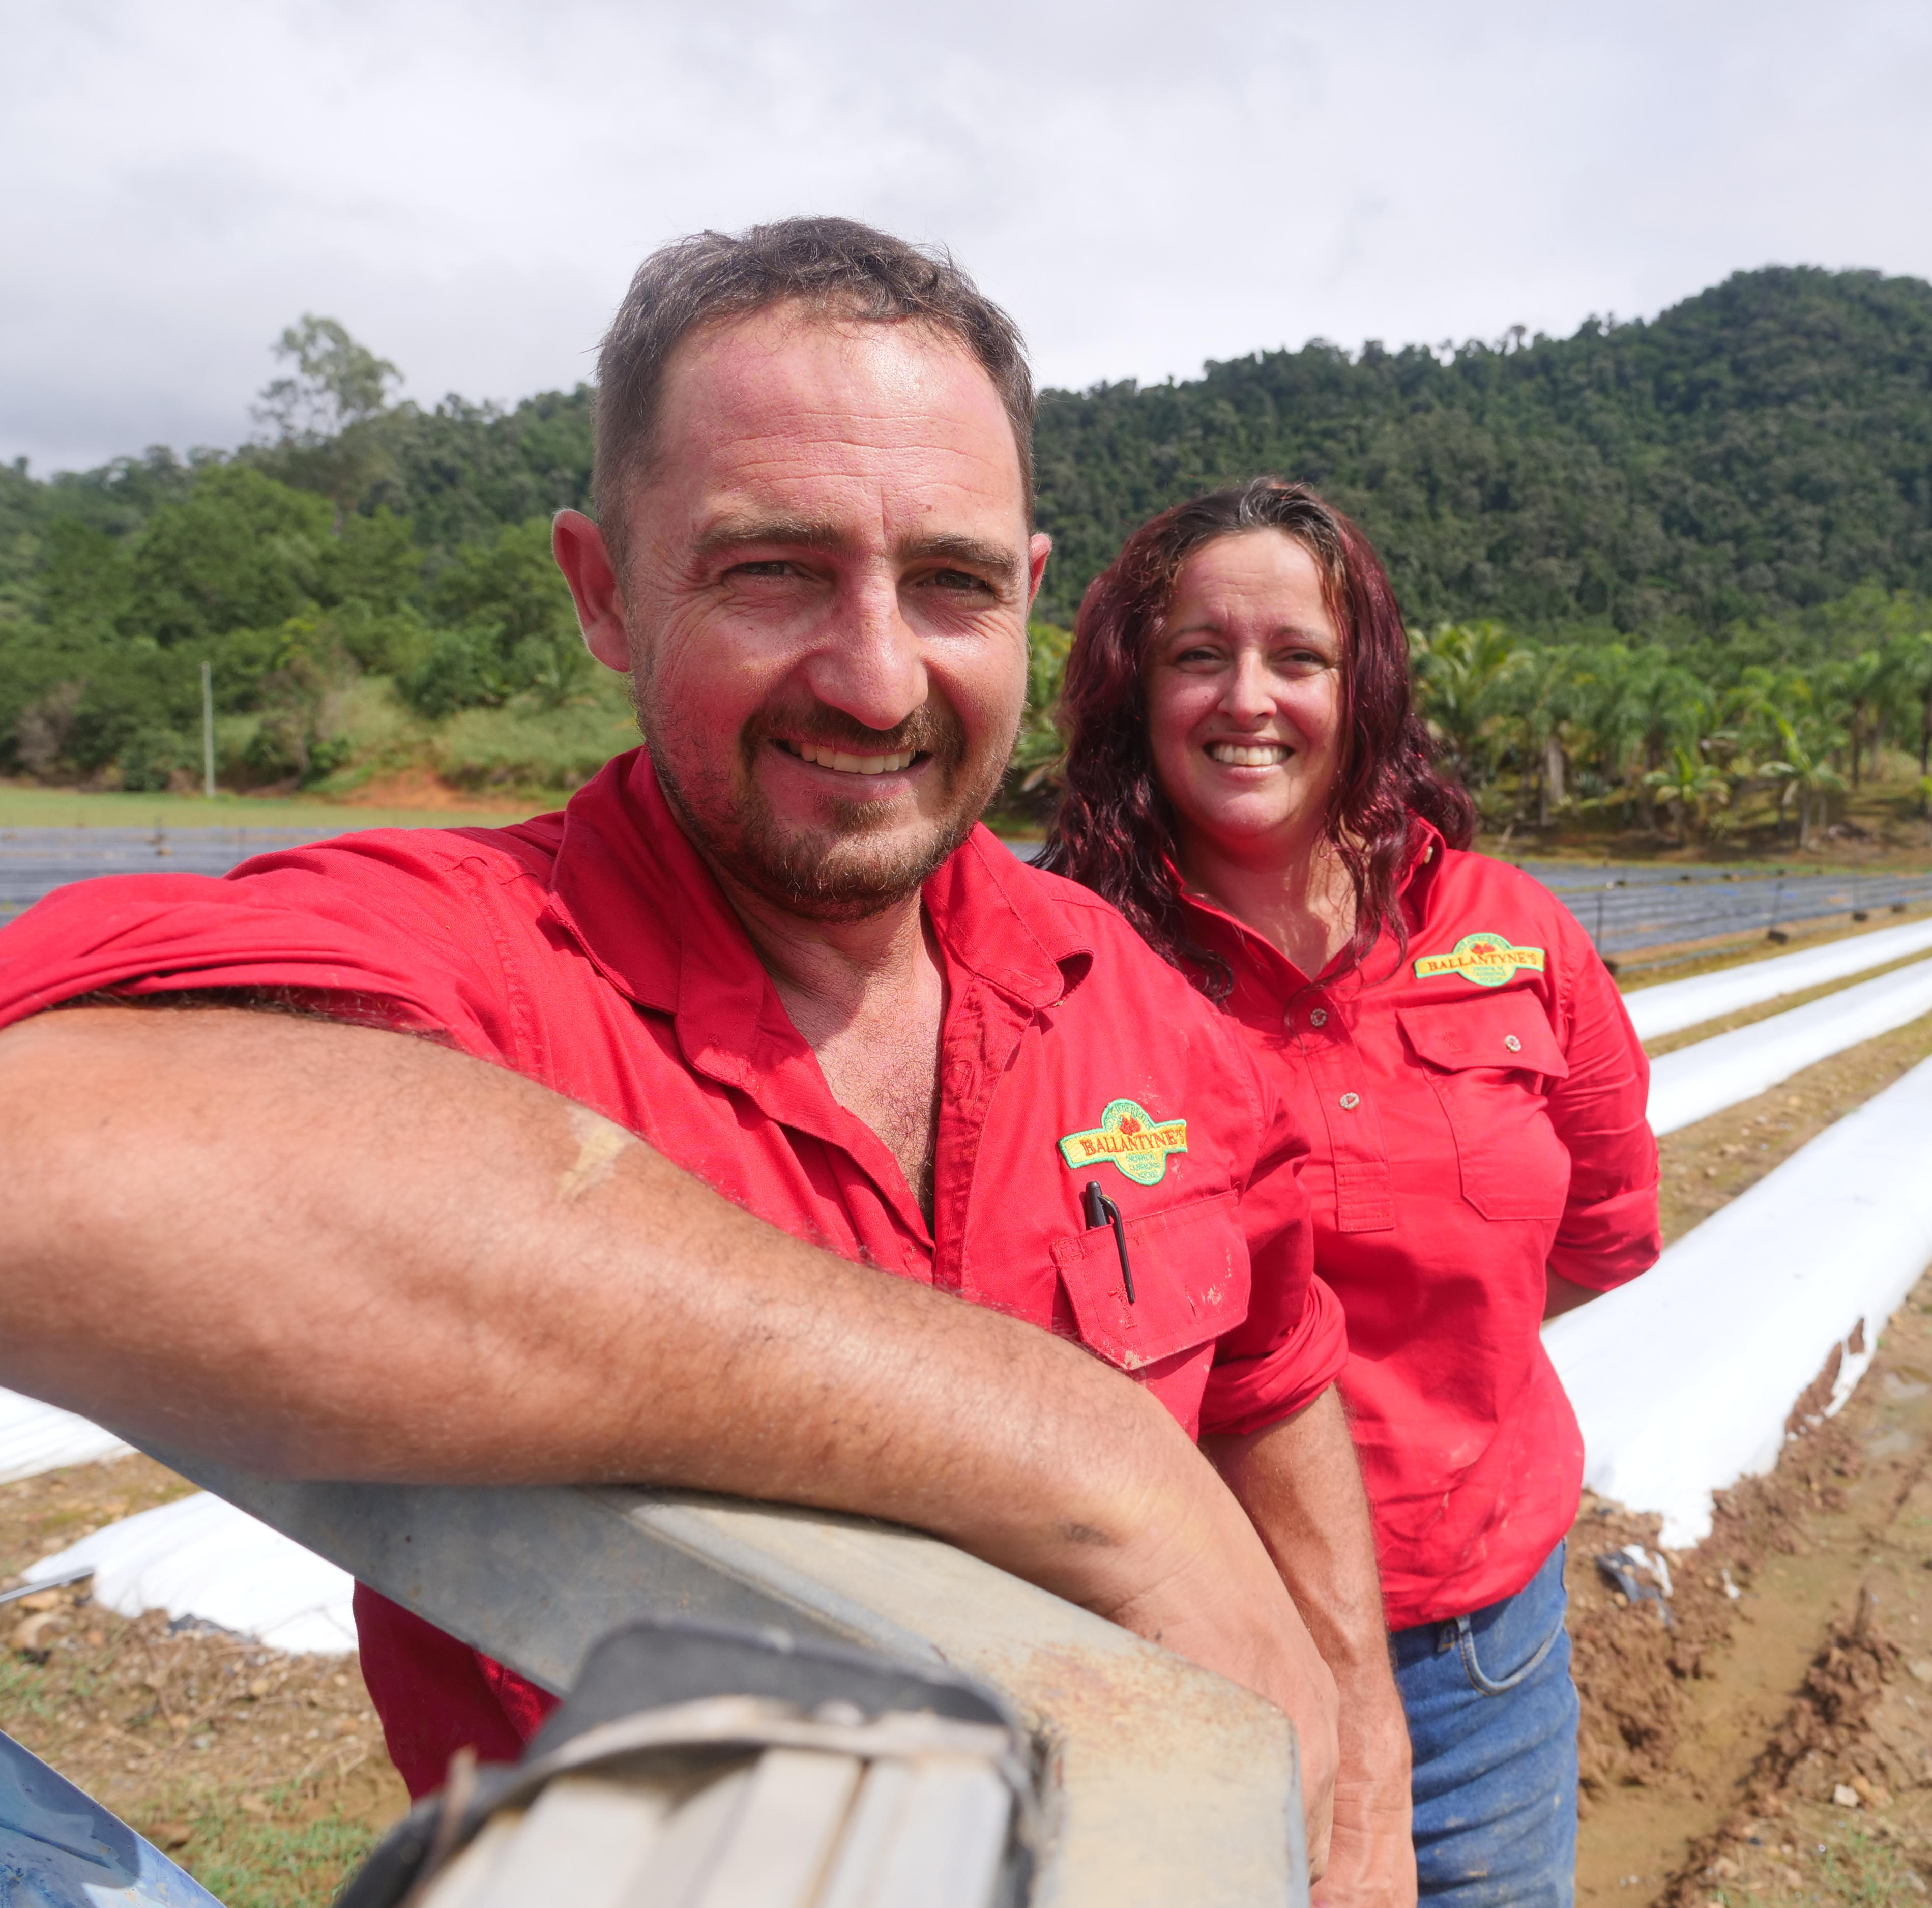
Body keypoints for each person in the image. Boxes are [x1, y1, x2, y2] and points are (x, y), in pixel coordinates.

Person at [0, 223, 1414, 1897]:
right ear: (604, 592)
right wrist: (1086, 1453)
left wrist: (1362, 1782)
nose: (877, 678)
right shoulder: (484, 966)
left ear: (1030, 594)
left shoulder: (1139, 1006)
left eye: (951, 583)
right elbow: (53, 1149)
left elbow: (1268, 1385)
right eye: (774, 571)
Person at [1040, 479, 1662, 1904]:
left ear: (1361, 685)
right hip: (1177, 1649)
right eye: (1200, 655)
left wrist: (1443, 1366)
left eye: (1298, 657)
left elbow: (1602, 1233)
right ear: (1137, 689)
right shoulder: (1059, 962)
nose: (1247, 698)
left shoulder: (1509, 931)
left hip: (1472, 1654)